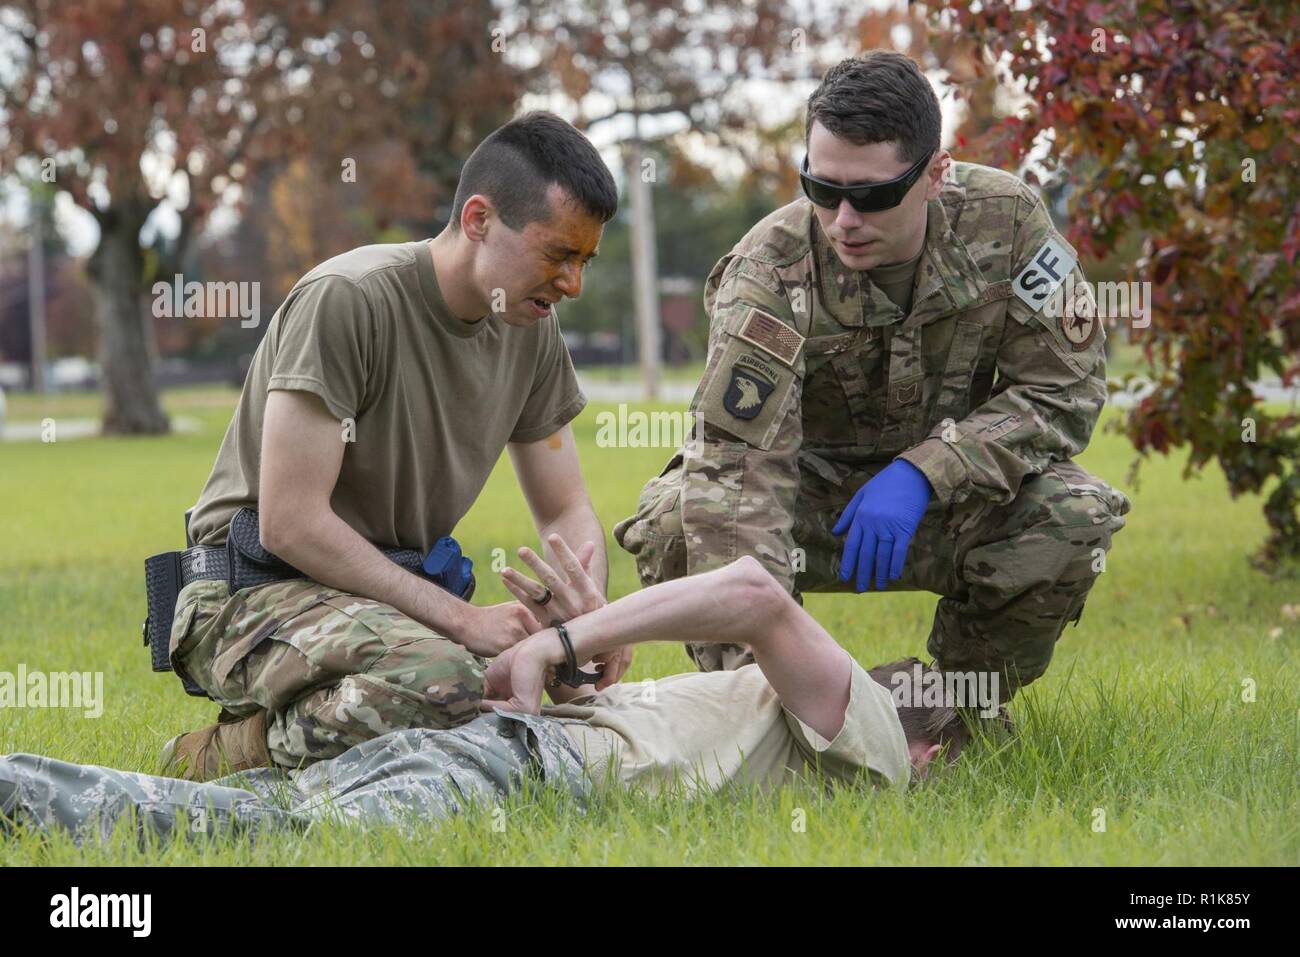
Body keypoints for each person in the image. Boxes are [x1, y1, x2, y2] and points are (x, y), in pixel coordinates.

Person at [615, 51, 1131, 697]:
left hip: (948, 502)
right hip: (809, 504)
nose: (844, 221)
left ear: (935, 174)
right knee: (675, 521)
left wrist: (926, 471)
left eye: (873, 195)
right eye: (823, 190)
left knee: (1073, 513)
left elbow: (1064, 389)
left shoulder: (1007, 222)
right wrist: (777, 699)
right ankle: (769, 715)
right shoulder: (768, 271)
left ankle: (959, 712)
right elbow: (739, 471)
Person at [162, 111, 633, 781]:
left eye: (585, 260)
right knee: (453, 683)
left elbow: (565, 509)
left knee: (505, 676)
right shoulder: (347, 300)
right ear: (478, 220)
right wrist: (462, 620)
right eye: (559, 253)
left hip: (380, 598)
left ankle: (345, 708)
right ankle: (225, 754)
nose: (574, 284)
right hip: (244, 590)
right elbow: (290, 520)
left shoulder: (531, 329)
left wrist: (585, 624)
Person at [0, 542, 998, 845]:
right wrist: (566, 636)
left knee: (247, 822)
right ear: (929, 755)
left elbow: (653, 712)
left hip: (488, 752)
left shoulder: (758, 721)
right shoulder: (868, 743)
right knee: (251, 838)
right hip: (512, 766)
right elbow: (751, 591)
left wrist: (579, 641)